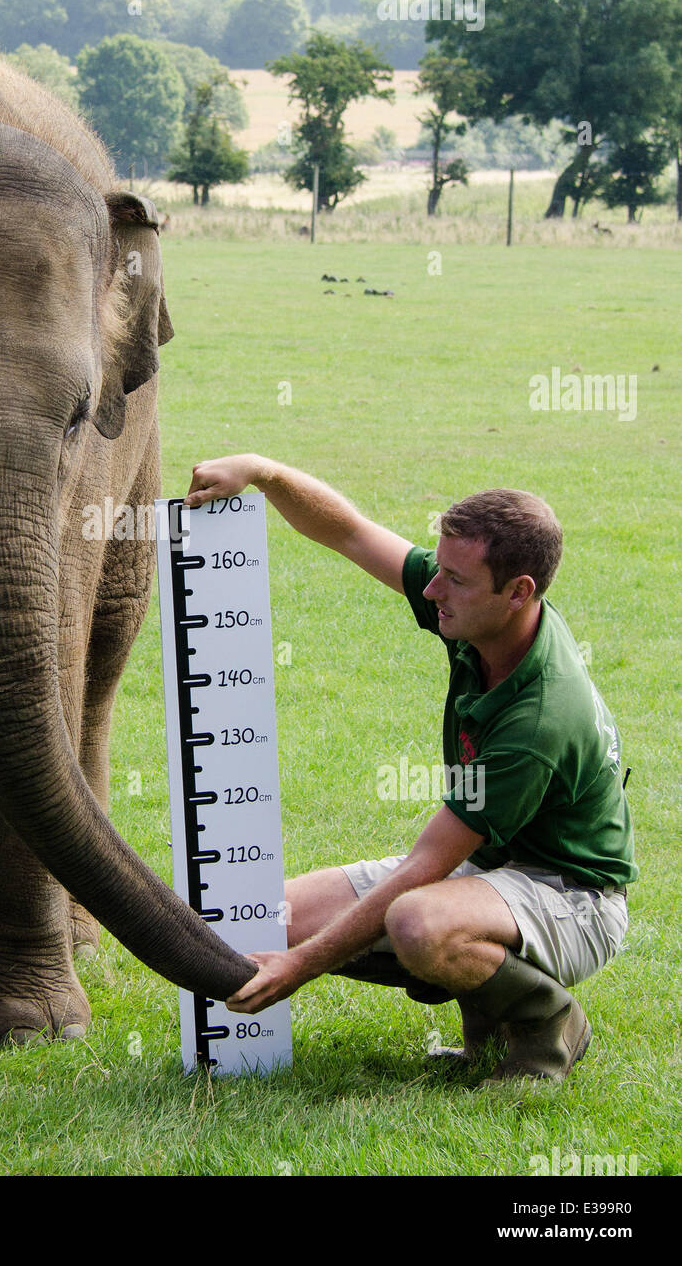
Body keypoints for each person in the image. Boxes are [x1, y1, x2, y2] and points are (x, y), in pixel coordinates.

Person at [184, 456, 635, 1083]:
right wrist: (263, 473)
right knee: (270, 915)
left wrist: (303, 968)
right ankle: (480, 991)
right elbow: (349, 531)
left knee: (416, 923)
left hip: (575, 896)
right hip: (496, 866)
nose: (430, 590)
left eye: (453, 579)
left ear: (520, 591)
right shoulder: (483, 620)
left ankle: (545, 1025)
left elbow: (429, 865)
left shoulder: (539, 719)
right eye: (438, 570)